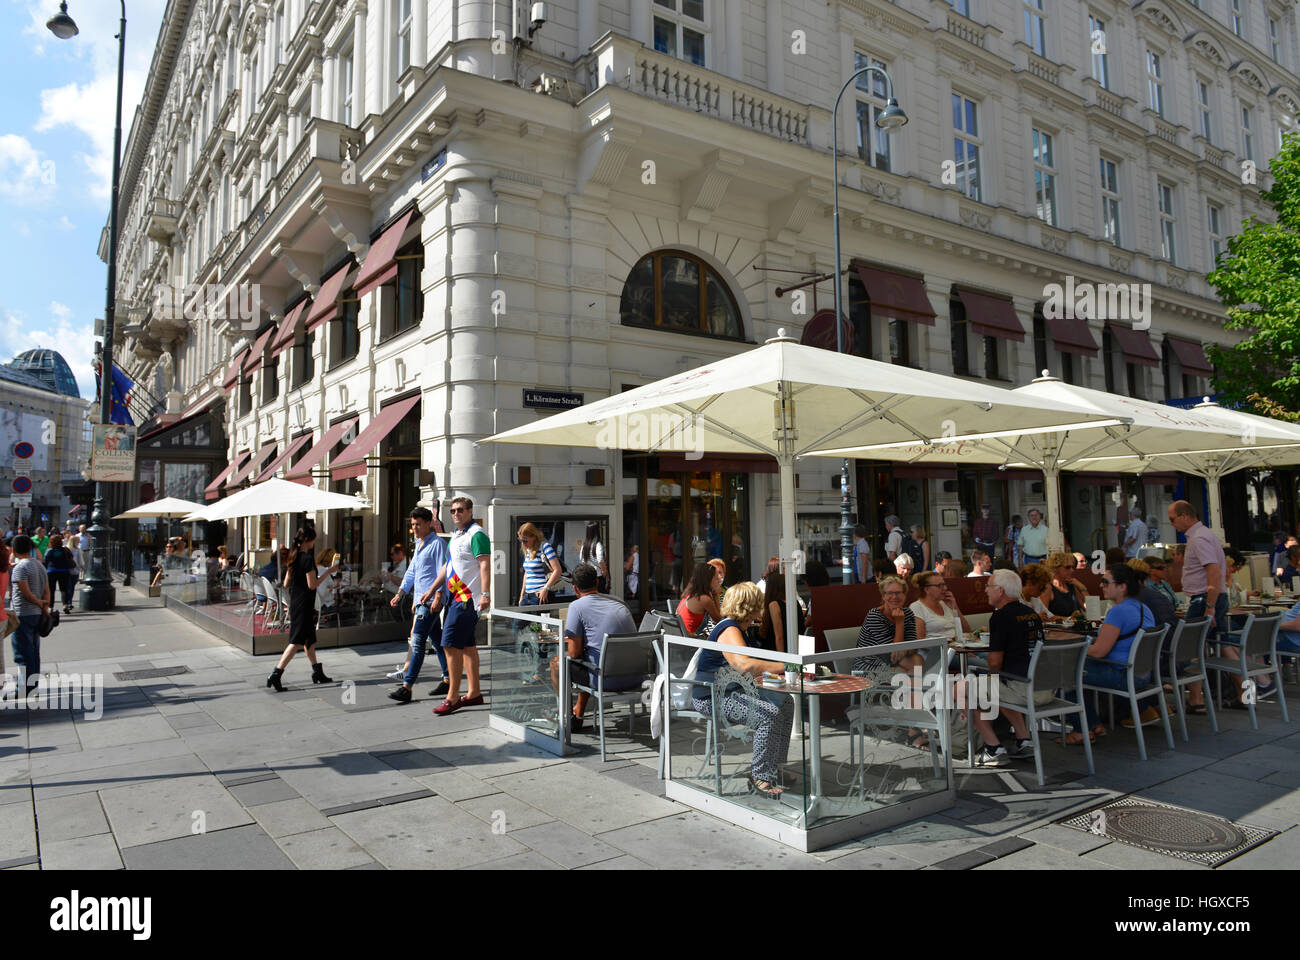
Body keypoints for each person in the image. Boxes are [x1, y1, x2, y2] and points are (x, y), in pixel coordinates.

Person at [690, 581, 793, 799]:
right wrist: (789, 666)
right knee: (769, 715)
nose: (762, 606)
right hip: (712, 695)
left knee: (786, 701)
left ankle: (774, 766)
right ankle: (761, 776)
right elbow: (744, 665)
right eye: (759, 602)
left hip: (731, 690)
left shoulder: (738, 628)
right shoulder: (729, 629)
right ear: (750, 605)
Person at [958, 569, 1047, 766]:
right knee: (998, 683)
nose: (986, 591)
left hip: (1025, 691)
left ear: (1000, 591)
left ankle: (993, 748)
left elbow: (995, 664)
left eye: (989, 587)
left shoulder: (1000, 617)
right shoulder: (1032, 613)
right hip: (1045, 688)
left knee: (961, 689)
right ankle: (1024, 740)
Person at [1063, 563, 1157, 742]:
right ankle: (1094, 725)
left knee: (1067, 672)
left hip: (1124, 674)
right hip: (1143, 673)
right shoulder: (1144, 608)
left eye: (1105, 582)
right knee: (1081, 669)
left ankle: (1083, 729)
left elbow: (1099, 652)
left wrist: (1073, 646)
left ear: (1122, 587)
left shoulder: (1118, 612)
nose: (1101, 586)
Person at [549, 563, 639, 731]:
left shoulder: (577, 606)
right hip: (636, 675)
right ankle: (579, 714)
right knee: (591, 658)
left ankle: (567, 719)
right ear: (597, 583)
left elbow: (574, 654)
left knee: (557, 664)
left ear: (575, 589)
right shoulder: (619, 601)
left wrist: (568, 640)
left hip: (606, 679)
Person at [426, 496, 491, 715]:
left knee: (449, 645)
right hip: (454, 596)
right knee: (468, 647)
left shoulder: (477, 534)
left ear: (471, 511)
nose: (456, 514)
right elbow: (448, 566)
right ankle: (474, 693)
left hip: (467, 599)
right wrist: (434, 588)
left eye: (460, 510)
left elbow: (485, 566)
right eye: (453, 511)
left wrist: (485, 594)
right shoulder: (456, 535)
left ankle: (452, 697)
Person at [387, 507, 452, 701]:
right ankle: (448, 680)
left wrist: (439, 596)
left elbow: (444, 571)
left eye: (418, 524)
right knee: (438, 642)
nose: (414, 528)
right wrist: (401, 593)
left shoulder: (438, 544)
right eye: (412, 524)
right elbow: (412, 572)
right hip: (421, 599)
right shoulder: (419, 543)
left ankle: (407, 687)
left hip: (431, 600)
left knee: (417, 642)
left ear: (428, 523)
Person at [265, 527, 340, 692]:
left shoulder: (294, 556)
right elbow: (312, 585)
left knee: (309, 640)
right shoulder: (307, 558)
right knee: (296, 641)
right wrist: (329, 571)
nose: (314, 543)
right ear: (308, 540)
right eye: (314, 540)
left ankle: (317, 672)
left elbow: (286, 584)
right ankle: (276, 674)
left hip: (297, 603)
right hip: (305, 605)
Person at [854, 574, 925, 678]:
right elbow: (892, 655)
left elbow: (913, 647)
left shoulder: (908, 613)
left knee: (917, 659)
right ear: (883, 596)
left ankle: (914, 694)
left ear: (905, 595)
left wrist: (904, 650)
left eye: (898, 593)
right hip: (869, 666)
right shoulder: (875, 616)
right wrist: (899, 623)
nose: (894, 597)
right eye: (890, 593)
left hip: (896, 661)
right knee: (902, 671)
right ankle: (912, 693)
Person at [9, 535, 50, 693]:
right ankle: (32, 684)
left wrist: (38, 602)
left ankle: (24, 687)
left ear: (14, 550)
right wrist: (44, 607)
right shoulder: (39, 566)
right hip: (37, 613)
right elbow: (46, 590)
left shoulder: (20, 568)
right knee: (33, 650)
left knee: (22, 652)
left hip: (23, 613)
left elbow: (24, 591)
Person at [909, 570, 970, 652]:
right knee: (984, 663)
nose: (945, 588)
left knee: (987, 656)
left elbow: (967, 630)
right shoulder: (917, 607)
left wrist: (955, 607)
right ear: (927, 589)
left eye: (944, 584)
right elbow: (920, 642)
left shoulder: (945, 603)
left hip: (959, 648)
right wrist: (952, 649)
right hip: (937, 654)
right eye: (939, 585)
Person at [757, 569, 804, 652]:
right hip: (797, 648)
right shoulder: (794, 602)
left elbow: (779, 637)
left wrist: (782, 661)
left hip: (780, 651)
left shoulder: (774, 605)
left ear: (770, 587)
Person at [517, 523, 562, 607]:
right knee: (519, 620)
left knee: (541, 619)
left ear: (534, 537)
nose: (523, 544)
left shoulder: (545, 547)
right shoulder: (528, 550)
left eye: (525, 540)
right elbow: (527, 573)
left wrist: (546, 589)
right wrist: (522, 595)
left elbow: (557, 570)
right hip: (528, 595)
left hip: (540, 594)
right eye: (521, 540)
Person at [677, 561, 722, 636]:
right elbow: (720, 621)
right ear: (708, 579)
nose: (719, 581)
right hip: (690, 642)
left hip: (681, 638)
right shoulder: (704, 599)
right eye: (716, 578)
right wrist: (716, 595)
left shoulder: (689, 594)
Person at [43, 534, 78, 615]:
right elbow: (71, 558)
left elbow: (45, 561)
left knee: (51, 590)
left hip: (51, 571)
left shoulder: (49, 550)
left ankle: (50, 607)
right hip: (64, 571)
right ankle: (65, 605)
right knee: (64, 589)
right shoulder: (65, 550)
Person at [1046, 551, 1087, 619]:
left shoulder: (1071, 585)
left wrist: (1082, 587)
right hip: (1059, 628)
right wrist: (1068, 619)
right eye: (1067, 567)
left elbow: (1090, 608)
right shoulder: (1048, 588)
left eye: (1073, 567)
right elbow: (1044, 616)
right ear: (1056, 568)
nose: (1072, 570)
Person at [579, 521, 608, 592]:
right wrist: (604, 570)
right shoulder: (598, 544)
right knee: (600, 596)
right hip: (597, 576)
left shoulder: (584, 545)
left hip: (588, 576)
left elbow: (581, 559)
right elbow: (600, 559)